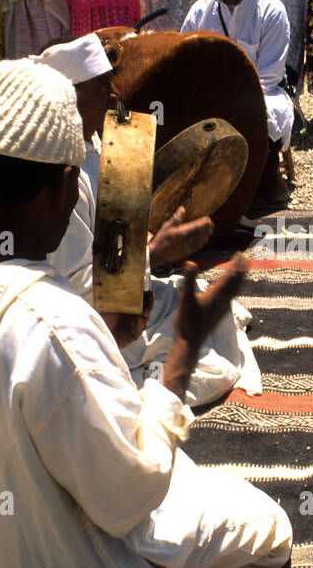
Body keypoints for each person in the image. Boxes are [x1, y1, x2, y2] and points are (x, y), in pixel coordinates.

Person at [0, 59, 292, 568]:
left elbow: (17, 364)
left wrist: (107, 329)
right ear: (61, 187)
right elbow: (130, 495)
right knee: (269, 528)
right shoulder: (52, 325)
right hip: (70, 557)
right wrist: (183, 350)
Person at [38, 33, 262, 404]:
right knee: (214, 368)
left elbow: (112, 240)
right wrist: (152, 255)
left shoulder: (95, 146)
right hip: (92, 324)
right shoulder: (64, 180)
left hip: (121, 291)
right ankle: (125, 394)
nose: (114, 96)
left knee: (205, 304)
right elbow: (75, 292)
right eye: (101, 86)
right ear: (69, 97)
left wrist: (150, 234)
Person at [181, 0, 292, 205]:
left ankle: (265, 174)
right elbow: (185, 61)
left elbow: (269, 74)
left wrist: (232, 100)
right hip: (209, 96)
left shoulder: (271, 11)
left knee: (265, 110)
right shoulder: (200, 11)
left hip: (260, 92)